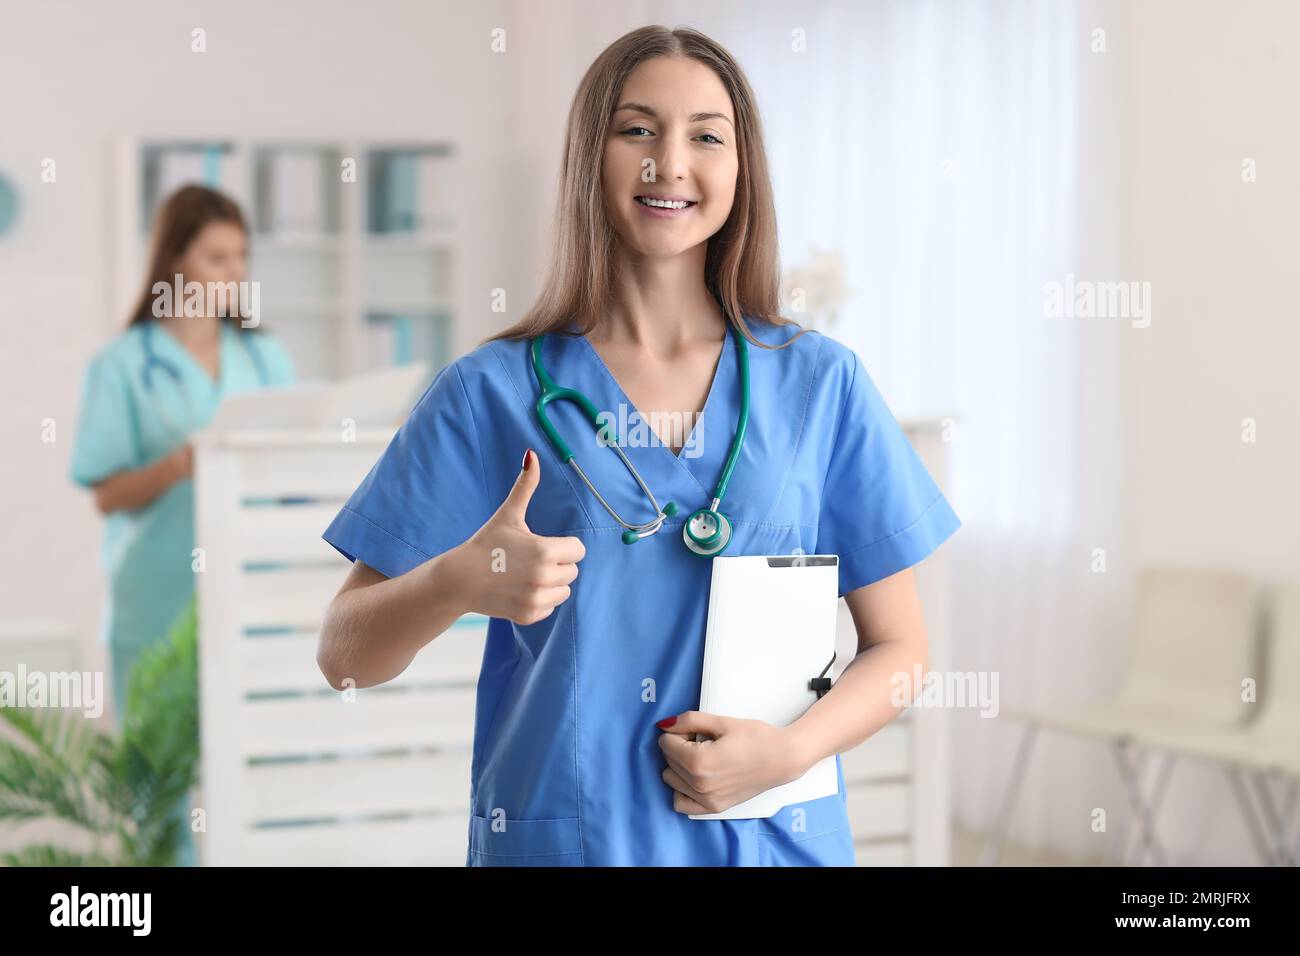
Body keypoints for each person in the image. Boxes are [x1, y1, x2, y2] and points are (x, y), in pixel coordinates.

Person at [317, 26, 960, 866]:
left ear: (741, 168)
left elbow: (902, 651)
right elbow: (344, 654)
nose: (671, 162)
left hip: (768, 838)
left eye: (706, 135)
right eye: (637, 130)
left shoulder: (820, 384)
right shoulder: (492, 391)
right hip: (566, 840)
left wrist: (792, 752)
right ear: (592, 155)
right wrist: (457, 581)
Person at [70, 184, 297, 865]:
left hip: (250, 597)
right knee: (160, 794)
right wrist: (179, 465)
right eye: (217, 257)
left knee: (255, 781)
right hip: (156, 599)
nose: (234, 275)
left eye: (241, 257)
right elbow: (106, 494)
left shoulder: (265, 359)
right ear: (174, 262)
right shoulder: (122, 365)